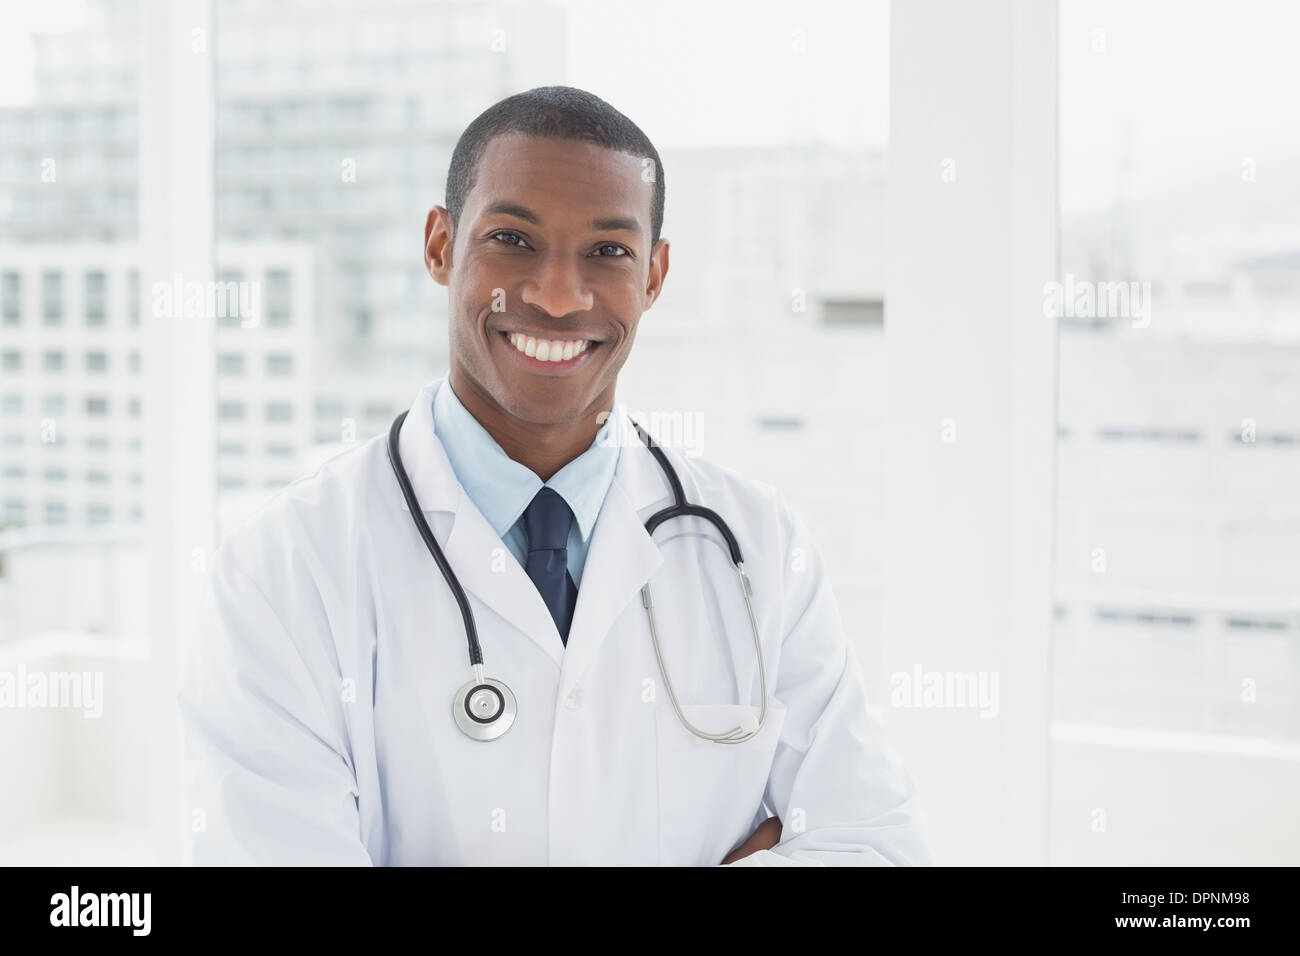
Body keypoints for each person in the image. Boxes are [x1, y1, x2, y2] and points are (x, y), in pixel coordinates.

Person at [178, 85, 933, 867]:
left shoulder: (760, 547)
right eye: (513, 239)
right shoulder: (287, 567)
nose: (556, 297)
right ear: (440, 245)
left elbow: (877, 846)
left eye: (608, 252)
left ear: (655, 274)